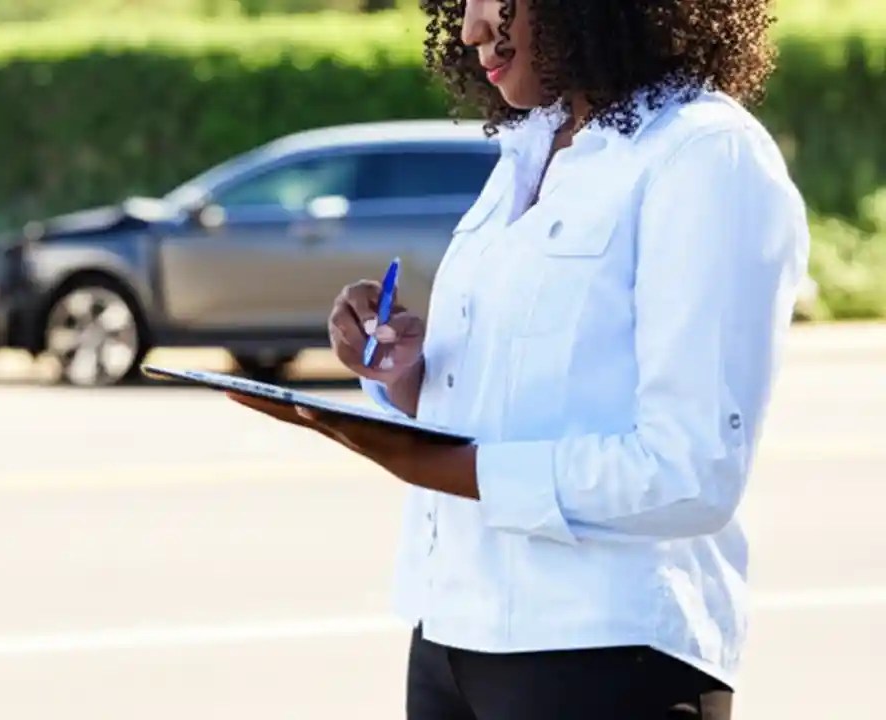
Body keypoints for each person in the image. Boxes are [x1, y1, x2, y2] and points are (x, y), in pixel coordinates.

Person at [226, 0, 810, 717]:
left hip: (605, 654)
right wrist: (406, 375)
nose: (470, 28)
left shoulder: (704, 154)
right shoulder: (532, 146)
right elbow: (519, 393)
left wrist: (452, 469)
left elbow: (693, 473)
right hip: (450, 632)